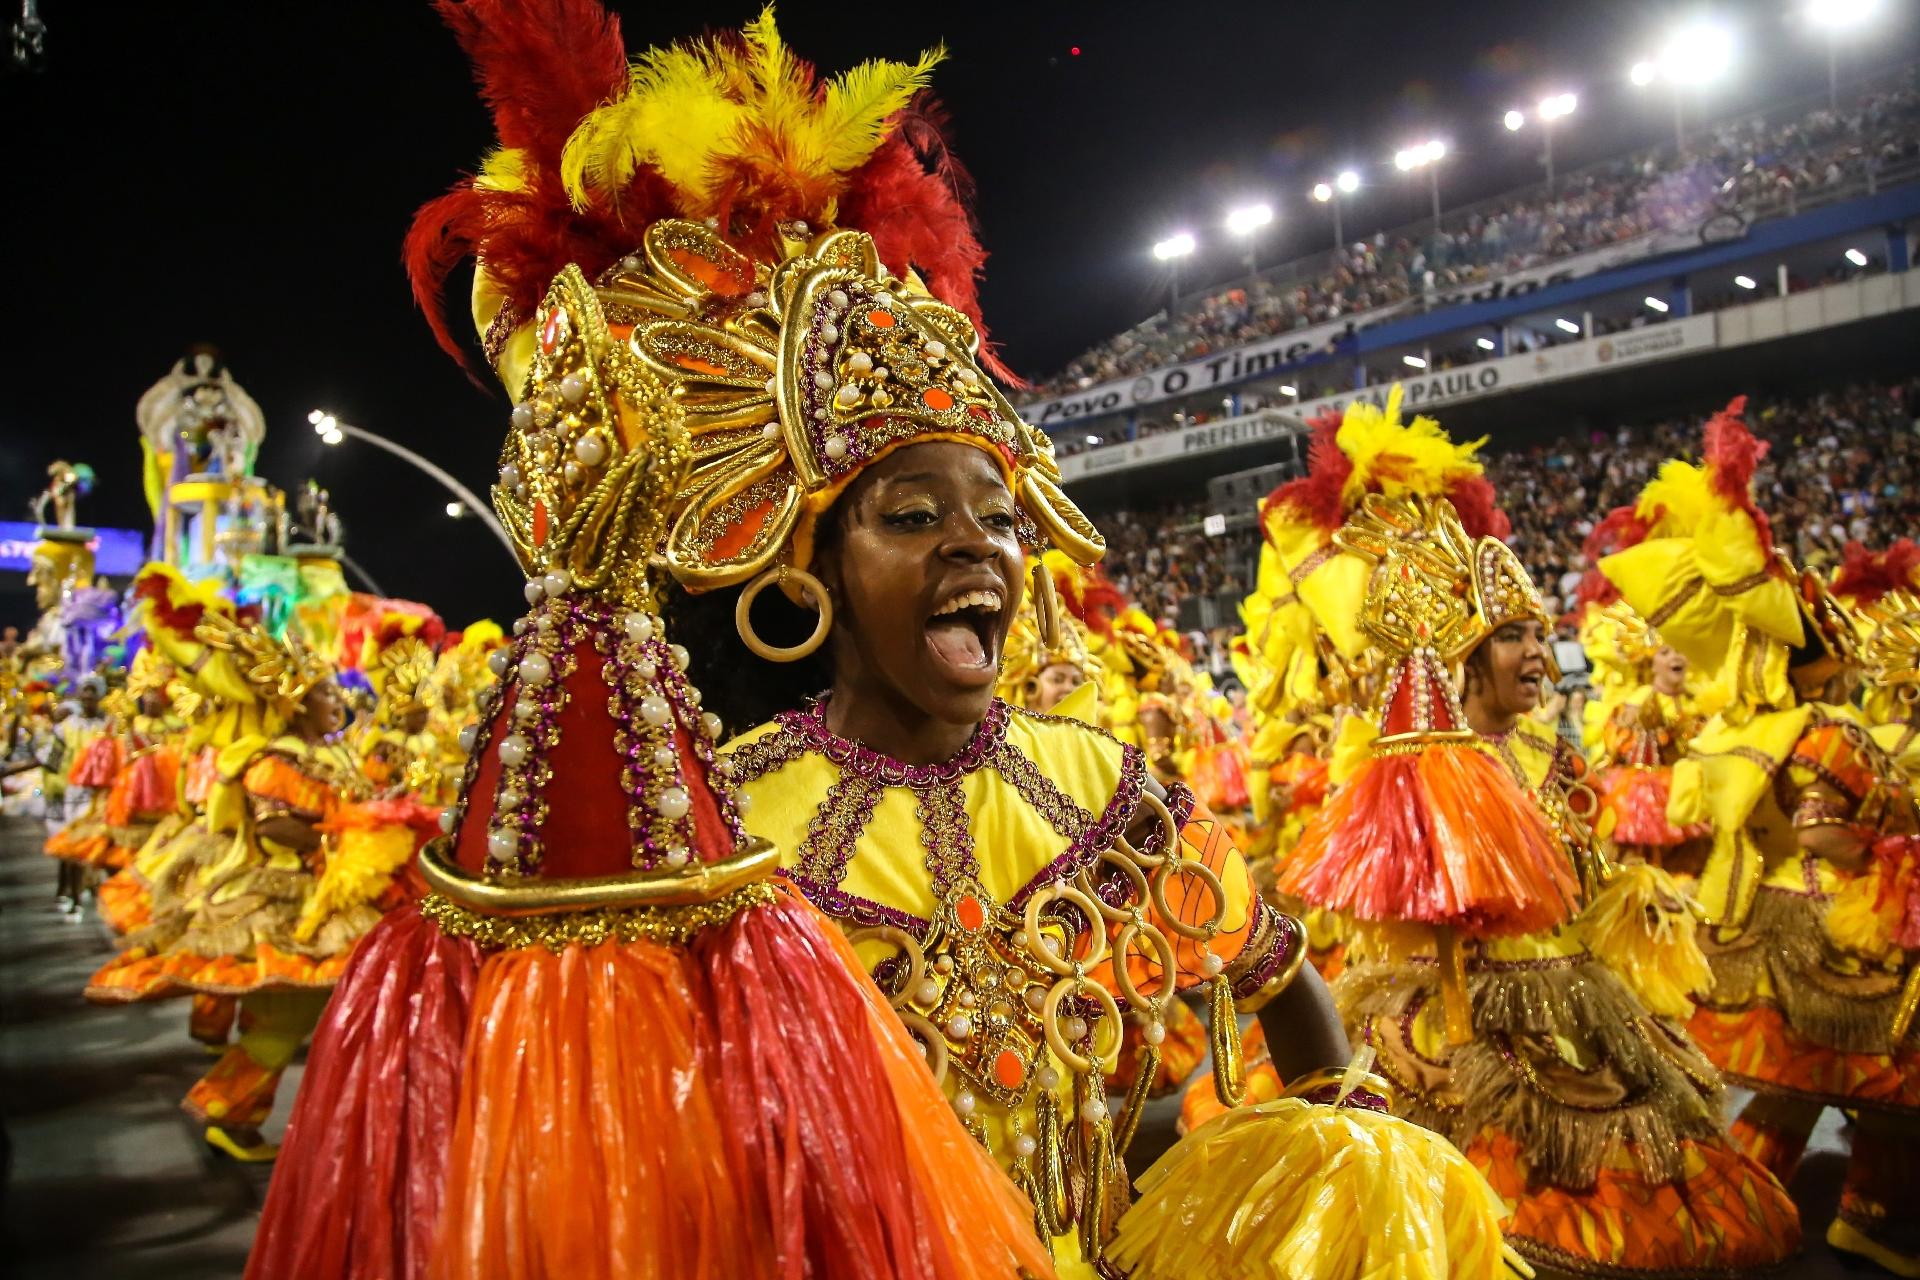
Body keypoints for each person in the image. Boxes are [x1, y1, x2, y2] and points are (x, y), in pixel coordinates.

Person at [1275, 396, 1801, 1278]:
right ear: (1467, 655)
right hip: (1460, 1010)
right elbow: (1406, 903)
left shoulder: (1552, 756)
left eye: (1539, 635)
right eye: (1512, 637)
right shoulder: (1418, 760)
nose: (1536, 657)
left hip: (1579, 996)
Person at [1605, 399, 1920, 1275]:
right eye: (1836, 651)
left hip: (1745, 925)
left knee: (1803, 1096)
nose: (1849, 662)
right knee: (1880, 1081)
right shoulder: (1819, 732)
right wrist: (1893, 854)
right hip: (1821, 933)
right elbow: (1827, 837)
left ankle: (1773, 1213)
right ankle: (1844, 1214)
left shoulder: (1741, 733)